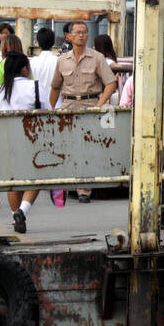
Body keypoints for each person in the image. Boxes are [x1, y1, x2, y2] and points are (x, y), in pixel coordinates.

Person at [49, 21, 117, 202]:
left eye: (84, 32)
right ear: (68, 37)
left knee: (88, 147)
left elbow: (111, 83)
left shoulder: (97, 58)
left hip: (90, 106)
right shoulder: (62, 60)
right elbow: (55, 87)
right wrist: (53, 109)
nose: (81, 35)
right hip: (68, 106)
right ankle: (65, 185)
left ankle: (84, 189)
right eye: (77, 32)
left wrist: (100, 104)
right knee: (67, 147)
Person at [0, 52, 42, 233]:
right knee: (37, 178)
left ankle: (16, 216)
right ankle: (22, 211)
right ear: (24, 69)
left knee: (12, 182)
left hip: (5, 143)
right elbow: (49, 113)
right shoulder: (35, 87)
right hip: (30, 141)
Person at [30, 27, 59, 110]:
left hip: (37, 104)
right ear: (53, 42)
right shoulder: (58, 61)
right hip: (56, 104)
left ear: (38, 42)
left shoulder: (31, 62)